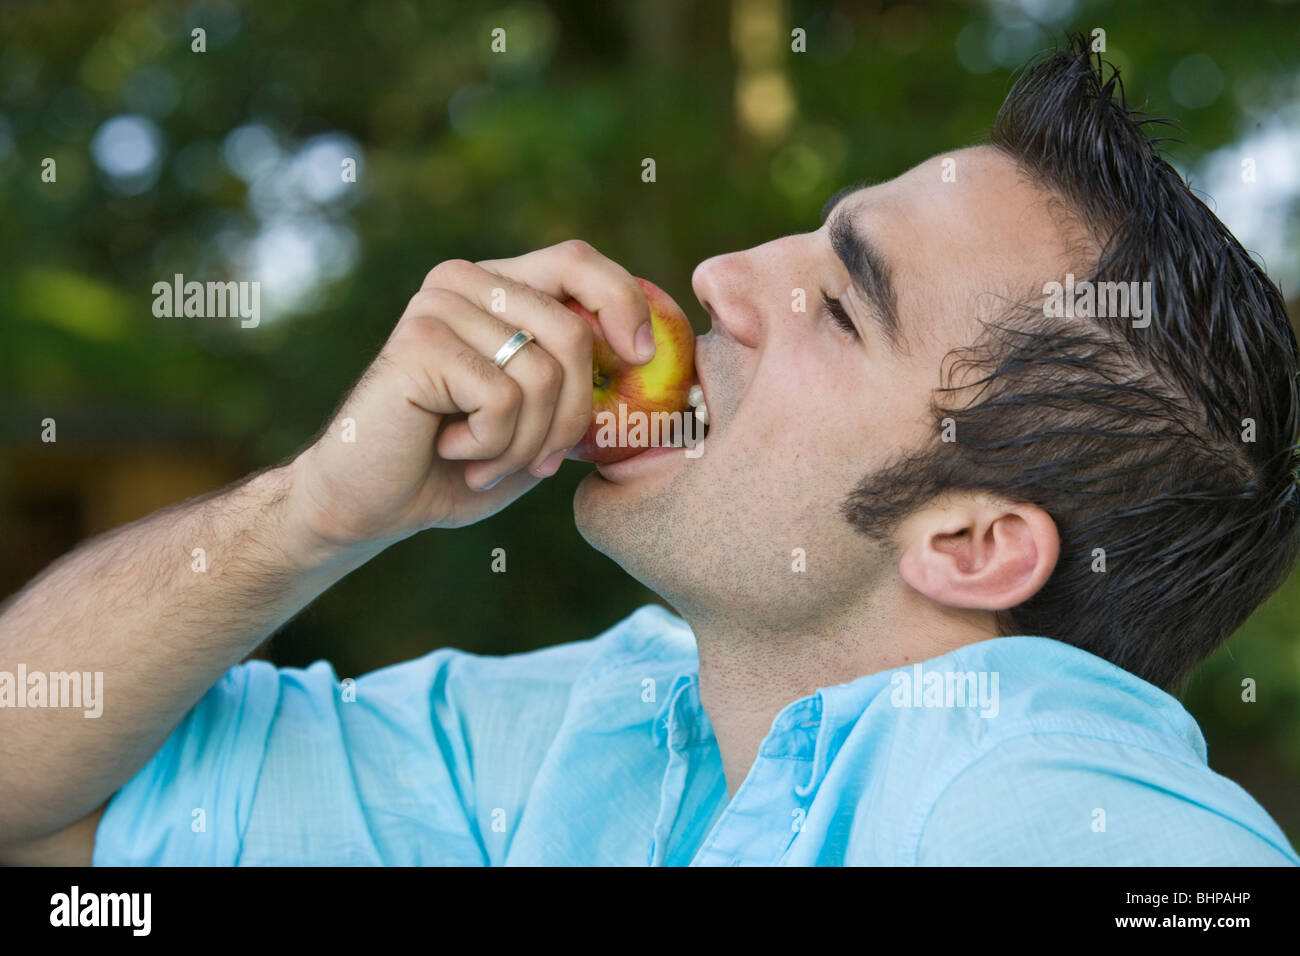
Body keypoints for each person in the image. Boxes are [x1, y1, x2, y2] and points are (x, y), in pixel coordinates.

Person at [2, 35, 1298, 866]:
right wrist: (311, 516)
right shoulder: (608, 725)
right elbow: (35, 805)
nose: (723, 276)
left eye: (840, 306)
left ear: (969, 543)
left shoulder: (1040, 779)